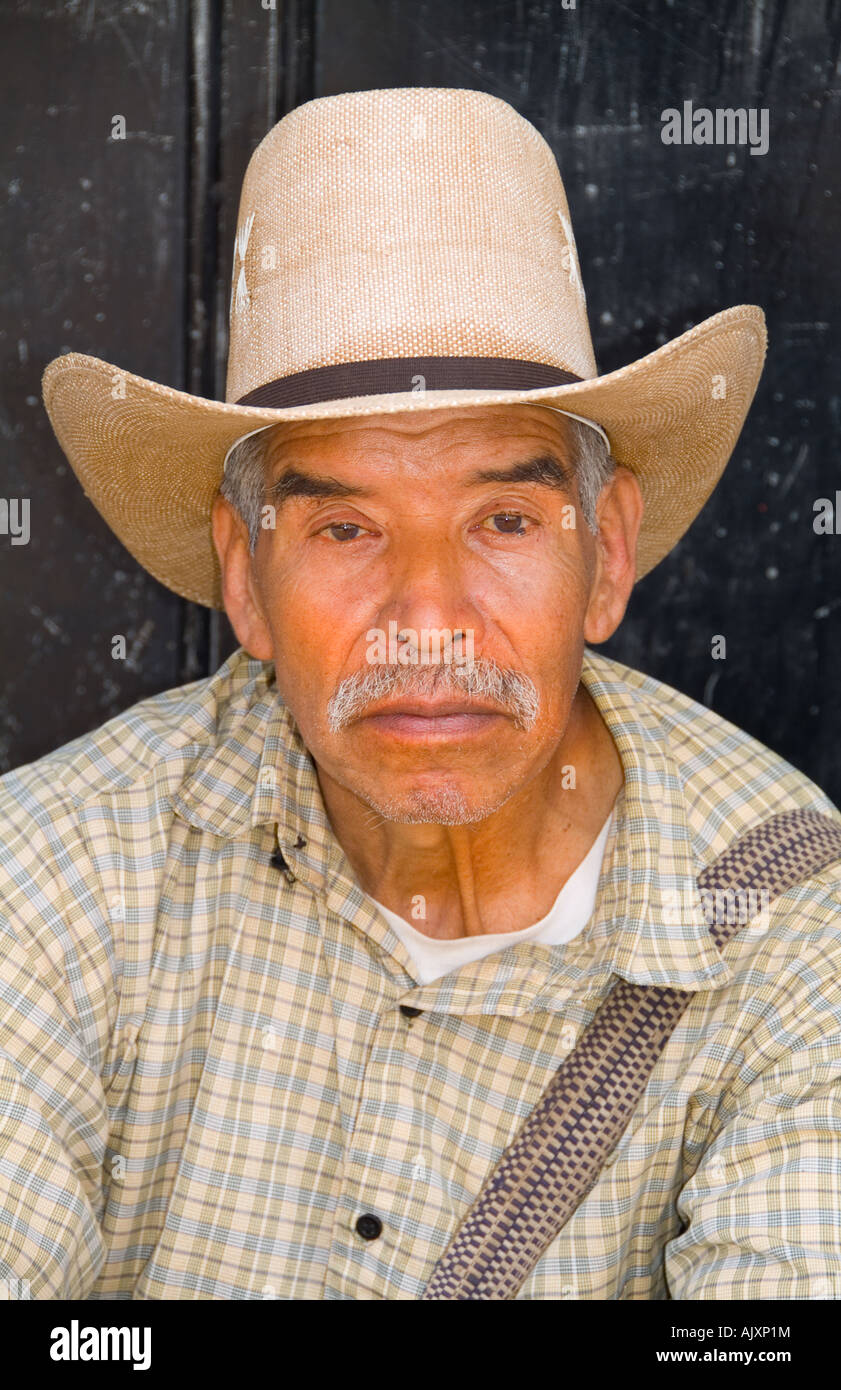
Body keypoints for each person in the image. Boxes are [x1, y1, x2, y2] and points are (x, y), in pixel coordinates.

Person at [2, 87, 839, 1301]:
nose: (428, 618)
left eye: (503, 518)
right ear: (246, 580)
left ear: (604, 553)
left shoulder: (793, 933)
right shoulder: (60, 872)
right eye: (345, 527)